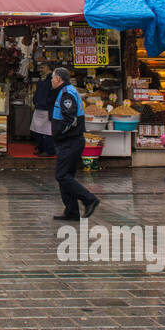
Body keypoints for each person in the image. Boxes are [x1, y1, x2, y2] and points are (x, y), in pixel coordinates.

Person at [49, 67, 100, 220]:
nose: (51, 81)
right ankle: (71, 211)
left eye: (52, 78)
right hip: (69, 141)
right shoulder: (66, 91)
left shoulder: (67, 94)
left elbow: (70, 119)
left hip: (70, 141)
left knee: (62, 175)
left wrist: (60, 133)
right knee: (66, 175)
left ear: (58, 79)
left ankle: (89, 199)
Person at [31, 63, 56, 156]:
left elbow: (53, 94)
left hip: (47, 108)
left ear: (48, 68)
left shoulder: (52, 79)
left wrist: (47, 102)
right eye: (39, 68)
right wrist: (35, 101)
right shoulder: (41, 79)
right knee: (38, 131)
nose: (40, 70)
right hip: (39, 107)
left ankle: (49, 150)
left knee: (47, 131)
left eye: (42, 68)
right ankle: (41, 148)